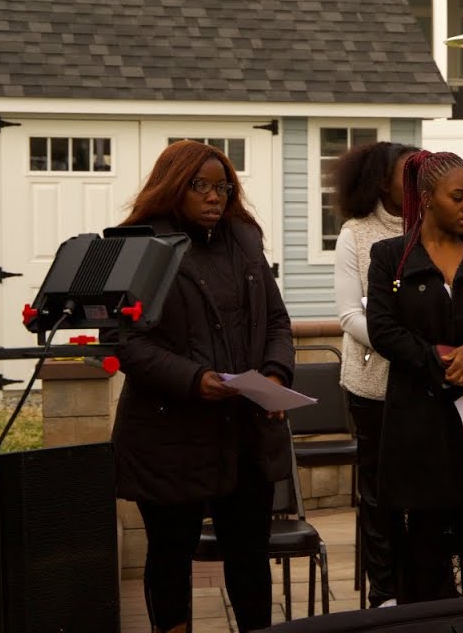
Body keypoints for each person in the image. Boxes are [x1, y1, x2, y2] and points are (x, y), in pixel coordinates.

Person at [113, 140, 294, 633]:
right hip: (170, 435)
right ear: (175, 187)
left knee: (249, 555)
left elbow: (276, 321)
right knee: (171, 555)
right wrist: (195, 380)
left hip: (244, 431)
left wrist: (276, 374)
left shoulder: (245, 242)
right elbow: (124, 342)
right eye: (201, 186)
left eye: (223, 187)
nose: (215, 197)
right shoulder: (141, 244)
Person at [366, 149, 463, 603]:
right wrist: (443, 362)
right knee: (426, 543)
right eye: (459, 197)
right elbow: (384, 330)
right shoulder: (390, 257)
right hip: (420, 421)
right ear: (428, 198)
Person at [332, 141, 419, 608]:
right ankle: (385, 591)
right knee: (380, 495)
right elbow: (349, 315)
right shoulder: (356, 234)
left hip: (426, 384)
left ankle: (423, 585)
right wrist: (407, 347)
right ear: (379, 181)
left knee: (425, 490)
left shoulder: (438, 225)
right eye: (405, 174)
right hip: (373, 386)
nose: (414, 184)